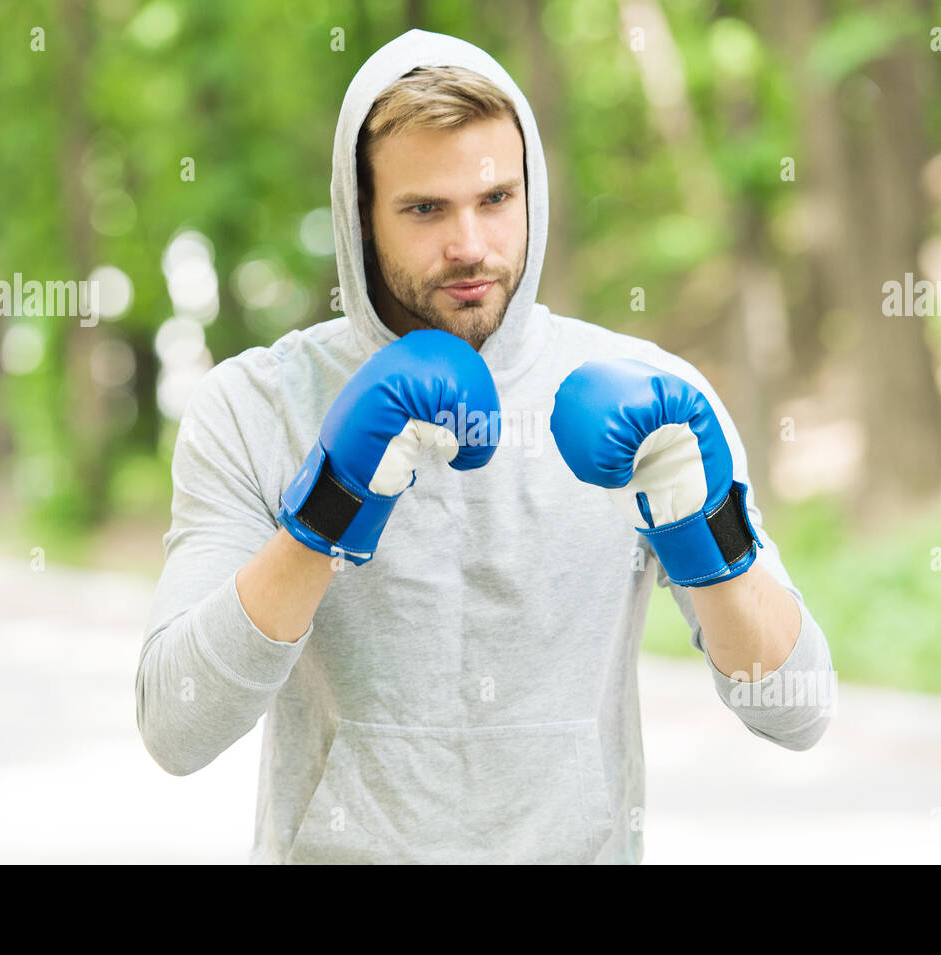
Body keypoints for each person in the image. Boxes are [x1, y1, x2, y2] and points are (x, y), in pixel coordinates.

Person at [135, 28, 835, 865]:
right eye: (426, 208)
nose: (470, 244)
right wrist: (329, 506)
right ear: (360, 218)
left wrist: (703, 518)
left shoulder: (651, 397)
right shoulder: (254, 405)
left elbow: (795, 709)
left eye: (496, 199)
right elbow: (176, 726)